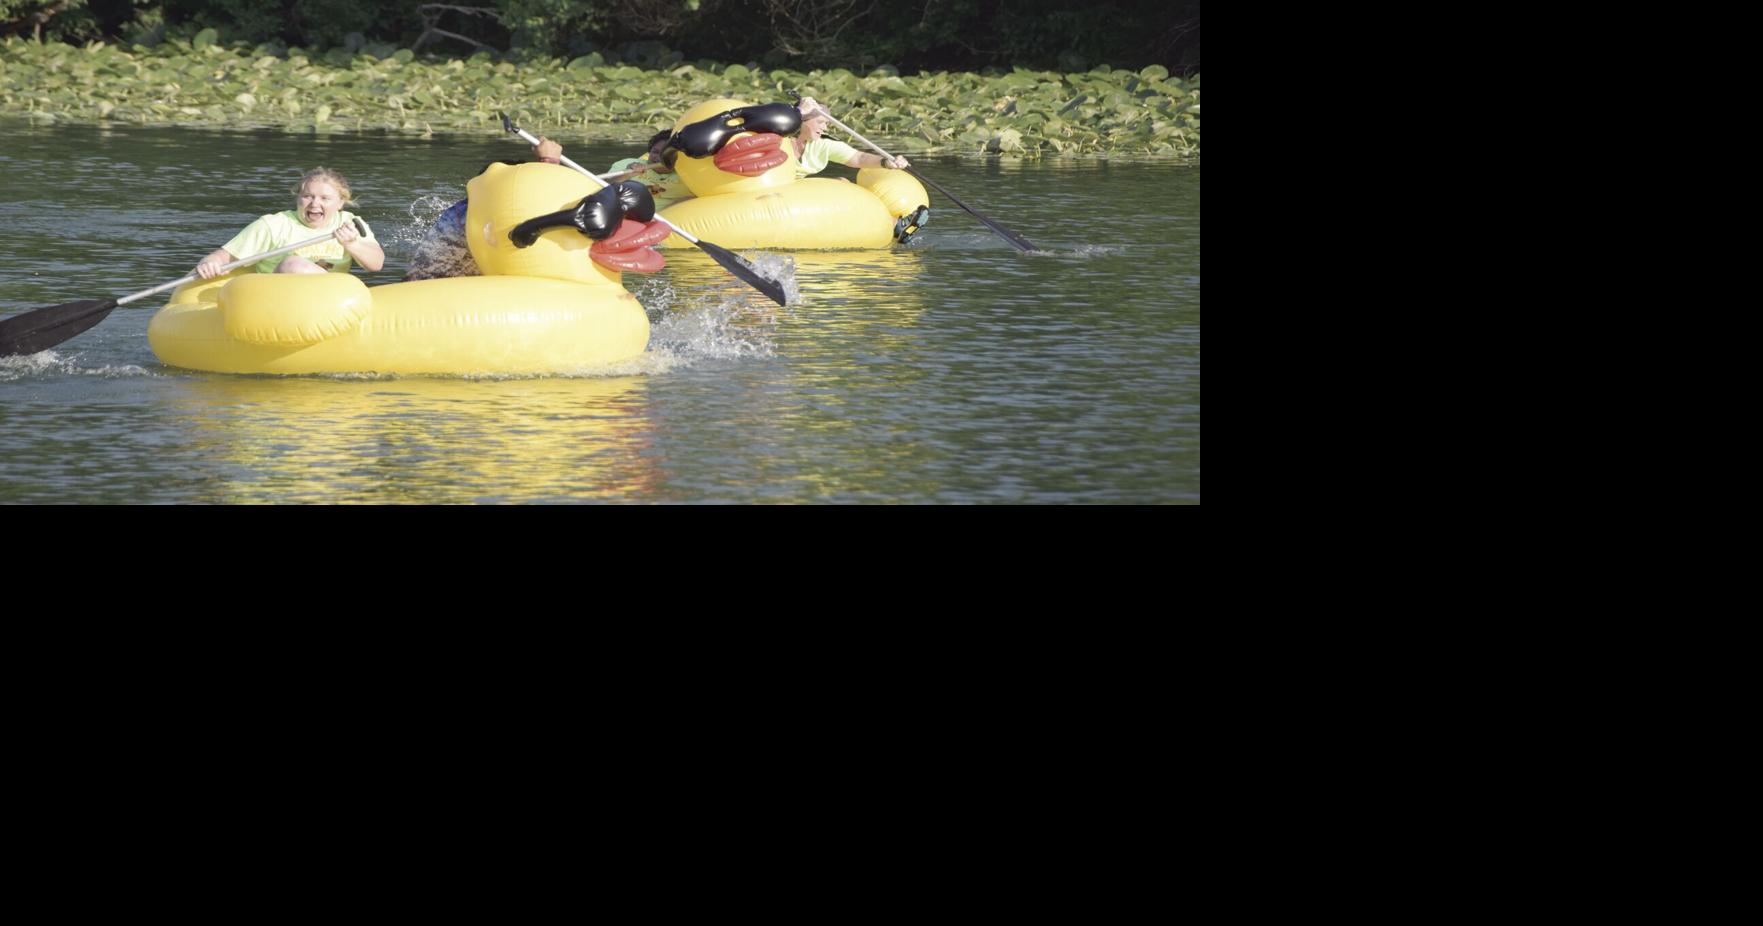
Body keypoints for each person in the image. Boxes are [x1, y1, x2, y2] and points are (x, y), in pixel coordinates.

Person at [404, 137, 562, 281]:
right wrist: (548, 161)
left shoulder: (467, 208)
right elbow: (534, 205)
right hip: (442, 290)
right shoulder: (474, 212)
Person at [195, 167, 384, 279]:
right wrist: (209, 263)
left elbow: (376, 264)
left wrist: (352, 244)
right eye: (307, 196)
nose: (314, 204)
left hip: (331, 302)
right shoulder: (273, 225)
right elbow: (222, 257)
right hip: (279, 300)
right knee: (292, 265)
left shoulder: (351, 223)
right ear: (298, 198)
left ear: (340, 203)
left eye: (325, 198)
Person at [792, 97, 927, 240]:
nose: (824, 128)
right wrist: (798, 112)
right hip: (778, 189)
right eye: (820, 122)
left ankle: (894, 226)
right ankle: (896, 226)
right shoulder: (780, 138)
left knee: (842, 183)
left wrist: (887, 162)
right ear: (802, 120)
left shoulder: (821, 143)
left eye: (826, 123)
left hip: (795, 190)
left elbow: (859, 158)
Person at [605, 128, 694, 211]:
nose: (659, 158)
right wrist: (626, 174)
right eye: (655, 152)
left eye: (667, 154)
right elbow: (603, 189)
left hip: (664, 218)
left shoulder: (690, 177)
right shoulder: (627, 164)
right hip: (620, 212)